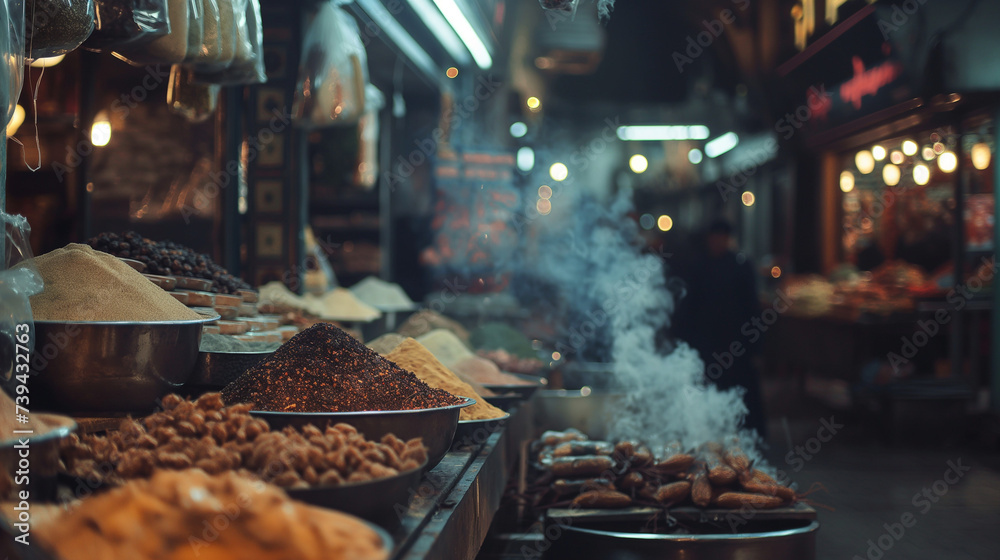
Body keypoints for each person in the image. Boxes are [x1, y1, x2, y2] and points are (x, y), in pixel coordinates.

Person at [674, 219, 768, 438]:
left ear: (727, 240)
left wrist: (756, 346)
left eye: (722, 238)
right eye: (714, 238)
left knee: (743, 393)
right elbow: (688, 307)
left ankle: (749, 438)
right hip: (706, 343)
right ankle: (709, 435)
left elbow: (752, 307)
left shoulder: (740, 266)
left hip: (737, 343)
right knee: (708, 391)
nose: (717, 242)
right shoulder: (698, 266)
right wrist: (685, 341)